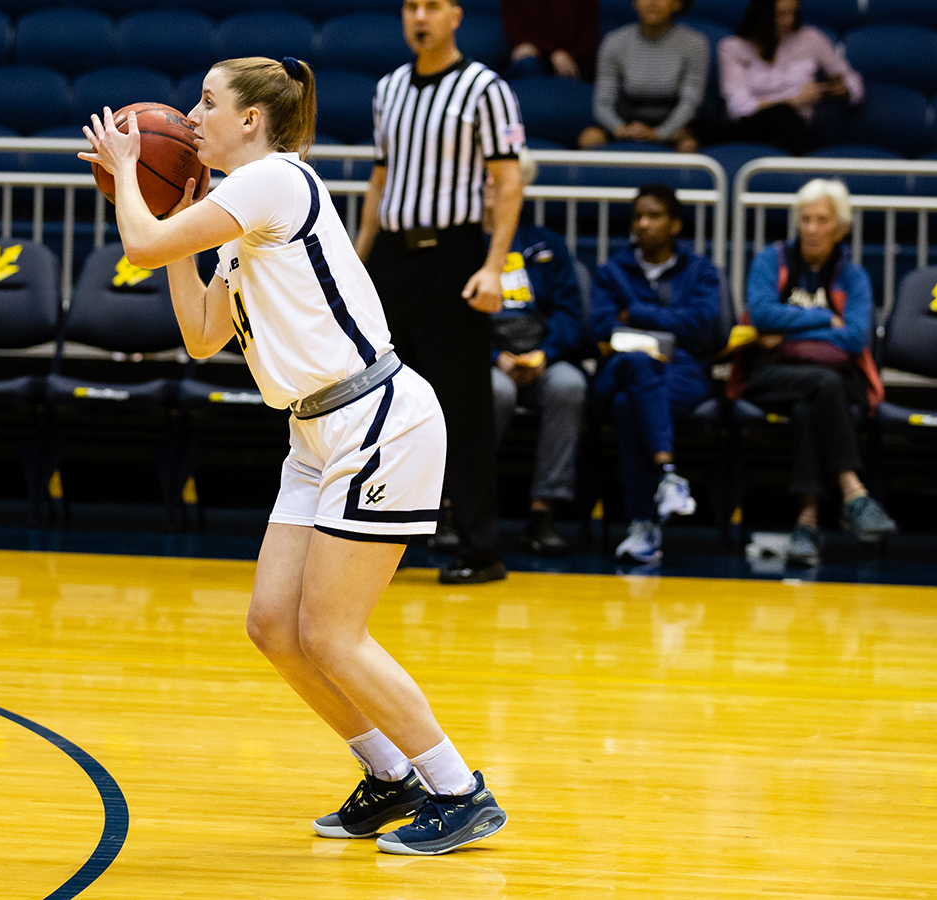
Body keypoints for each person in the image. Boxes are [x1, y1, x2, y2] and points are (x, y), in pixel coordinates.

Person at [80, 56, 508, 855]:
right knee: (275, 626)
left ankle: (460, 789)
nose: (192, 116)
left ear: (251, 121)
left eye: (207, 103)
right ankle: (390, 774)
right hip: (314, 434)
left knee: (334, 632)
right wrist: (178, 218)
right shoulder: (243, 216)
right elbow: (203, 338)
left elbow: (136, 247)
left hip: (377, 420)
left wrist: (136, 179)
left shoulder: (275, 179)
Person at [354, 0, 527, 585]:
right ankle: (378, 533)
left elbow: (508, 183)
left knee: (463, 405)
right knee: (378, 397)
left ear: (456, 16)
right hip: (393, 257)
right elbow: (381, 177)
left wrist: (493, 266)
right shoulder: (389, 88)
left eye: (431, 6)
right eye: (410, 6)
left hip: (453, 255)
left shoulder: (485, 88)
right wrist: (360, 254)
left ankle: (481, 549)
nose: (418, 17)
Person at [734, 178, 896, 564]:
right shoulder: (770, 260)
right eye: (804, 219)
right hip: (772, 374)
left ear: (840, 228)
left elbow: (856, 338)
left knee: (815, 400)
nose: (810, 228)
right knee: (822, 386)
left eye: (821, 220)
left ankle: (807, 521)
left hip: (835, 379)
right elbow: (760, 314)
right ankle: (853, 493)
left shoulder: (852, 275)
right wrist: (825, 319)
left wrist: (787, 334)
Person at [589, 185, 721, 565]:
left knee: (629, 405)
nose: (643, 224)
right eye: (637, 217)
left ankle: (642, 526)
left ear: (675, 224)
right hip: (617, 368)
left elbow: (704, 326)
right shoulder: (612, 271)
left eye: (654, 216)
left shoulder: (700, 270)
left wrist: (638, 315)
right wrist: (663, 332)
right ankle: (667, 474)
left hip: (683, 374)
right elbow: (600, 328)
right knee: (639, 365)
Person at [486, 150, 588, 556]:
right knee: (495, 391)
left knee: (570, 386)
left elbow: (569, 312)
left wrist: (546, 353)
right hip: (491, 358)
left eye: (504, 182)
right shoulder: (463, 244)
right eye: (488, 180)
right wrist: (495, 356)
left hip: (542, 356)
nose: (493, 189)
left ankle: (543, 512)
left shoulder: (547, 244)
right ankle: (459, 507)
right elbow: (453, 319)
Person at [718, 0, 863, 155]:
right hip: (749, 128)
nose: (790, 20)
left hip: (797, 128)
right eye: (781, 14)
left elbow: (852, 81)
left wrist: (843, 90)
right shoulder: (732, 47)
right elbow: (739, 107)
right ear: (762, 15)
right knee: (783, 113)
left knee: (790, 120)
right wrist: (794, 100)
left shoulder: (811, 39)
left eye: (794, 13)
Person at [580, 0, 708, 153]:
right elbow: (602, 102)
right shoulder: (614, 41)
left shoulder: (695, 43)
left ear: (677, 4)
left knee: (688, 146)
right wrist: (619, 128)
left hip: (674, 127)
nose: (652, 3)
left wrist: (659, 133)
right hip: (627, 124)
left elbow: (690, 102)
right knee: (589, 138)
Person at [501, 0, 599, 80]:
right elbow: (514, 32)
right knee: (526, 62)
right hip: (531, 53)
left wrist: (561, 54)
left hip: (572, 57)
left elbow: (588, 40)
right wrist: (551, 51)